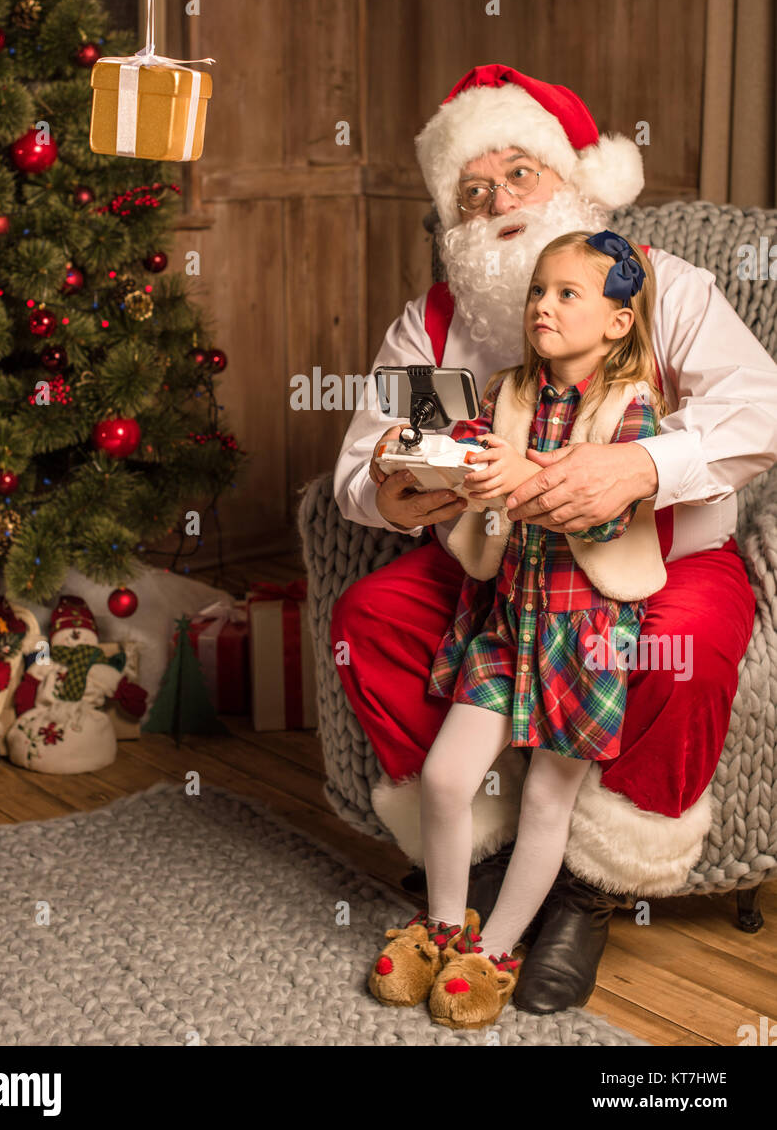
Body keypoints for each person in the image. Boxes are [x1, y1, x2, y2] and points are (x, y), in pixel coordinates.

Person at [332, 64, 777, 1013]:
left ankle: (589, 888)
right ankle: (486, 868)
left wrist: (644, 466)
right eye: (471, 190)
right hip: (498, 571)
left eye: (517, 174)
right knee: (368, 615)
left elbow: (761, 406)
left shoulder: (661, 289)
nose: (495, 202)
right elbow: (363, 463)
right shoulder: (438, 323)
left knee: (686, 651)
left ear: (575, 182)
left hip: (662, 559)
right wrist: (394, 492)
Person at [368, 229, 665, 1027]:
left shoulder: (632, 408)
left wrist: (521, 472)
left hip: (584, 631)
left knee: (544, 801)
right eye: (537, 289)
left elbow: (606, 521)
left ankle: (492, 953)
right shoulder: (501, 393)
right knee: (444, 777)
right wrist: (422, 460)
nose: (542, 304)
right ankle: (439, 928)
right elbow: (473, 489)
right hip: (506, 621)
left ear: (616, 322)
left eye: (567, 293)